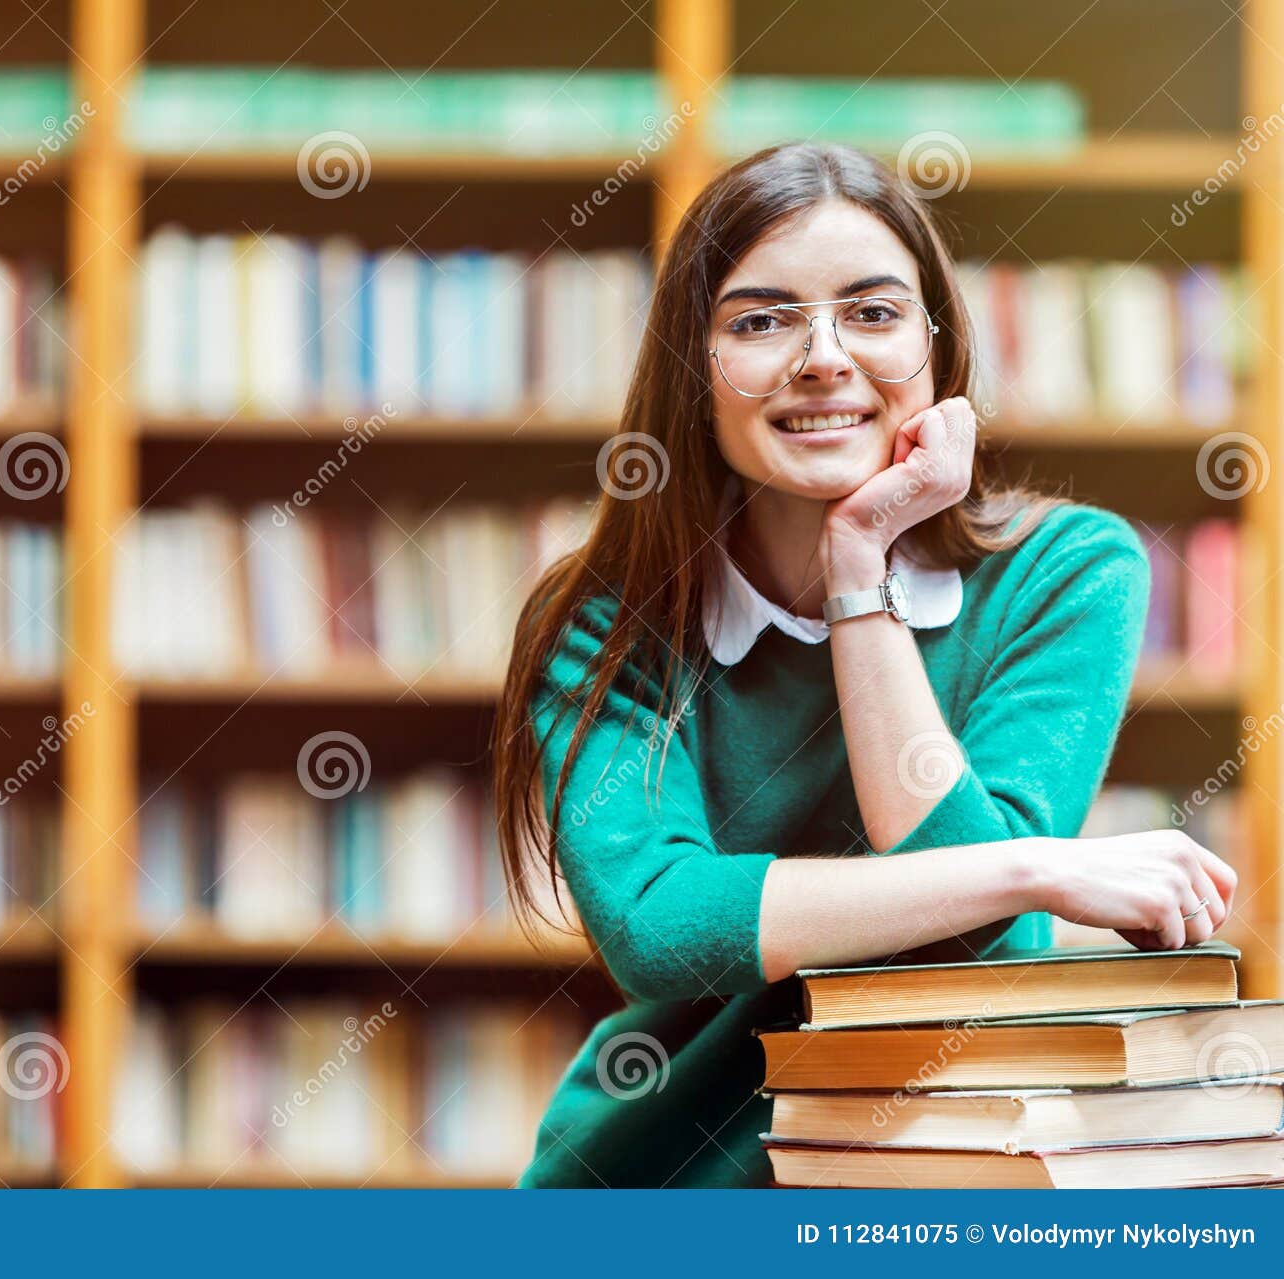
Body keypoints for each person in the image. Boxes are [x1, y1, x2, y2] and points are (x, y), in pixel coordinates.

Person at [491, 141, 1239, 1189]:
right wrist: (1039, 869)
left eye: (874, 313)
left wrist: (858, 563)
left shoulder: (1069, 570)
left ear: (936, 351)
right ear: (691, 370)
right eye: (759, 320)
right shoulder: (608, 621)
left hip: (945, 1186)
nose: (823, 357)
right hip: (659, 1190)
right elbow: (656, 924)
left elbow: (971, 944)